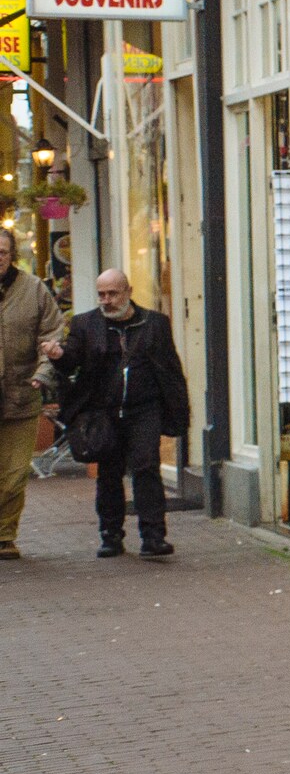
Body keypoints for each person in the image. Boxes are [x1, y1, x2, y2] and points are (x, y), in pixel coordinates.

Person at [48, 267, 189, 559]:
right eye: (101, 294)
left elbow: (171, 370)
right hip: (103, 411)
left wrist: (178, 411)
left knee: (146, 467)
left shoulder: (155, 324)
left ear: (128, 292)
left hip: (144, 408)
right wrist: (59, 355)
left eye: (113, 293)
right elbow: (72, 359)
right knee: (109, 473)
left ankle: (153, 537)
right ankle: (111, 535)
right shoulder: (85, 324)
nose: (107, 300)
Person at [0, 228, 65, 559]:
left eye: (2, 252)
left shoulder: (33, 289)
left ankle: (5, 536)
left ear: (12, 256)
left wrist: (42, 373)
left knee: (13, 475)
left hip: (22, 395)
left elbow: (53, 331)